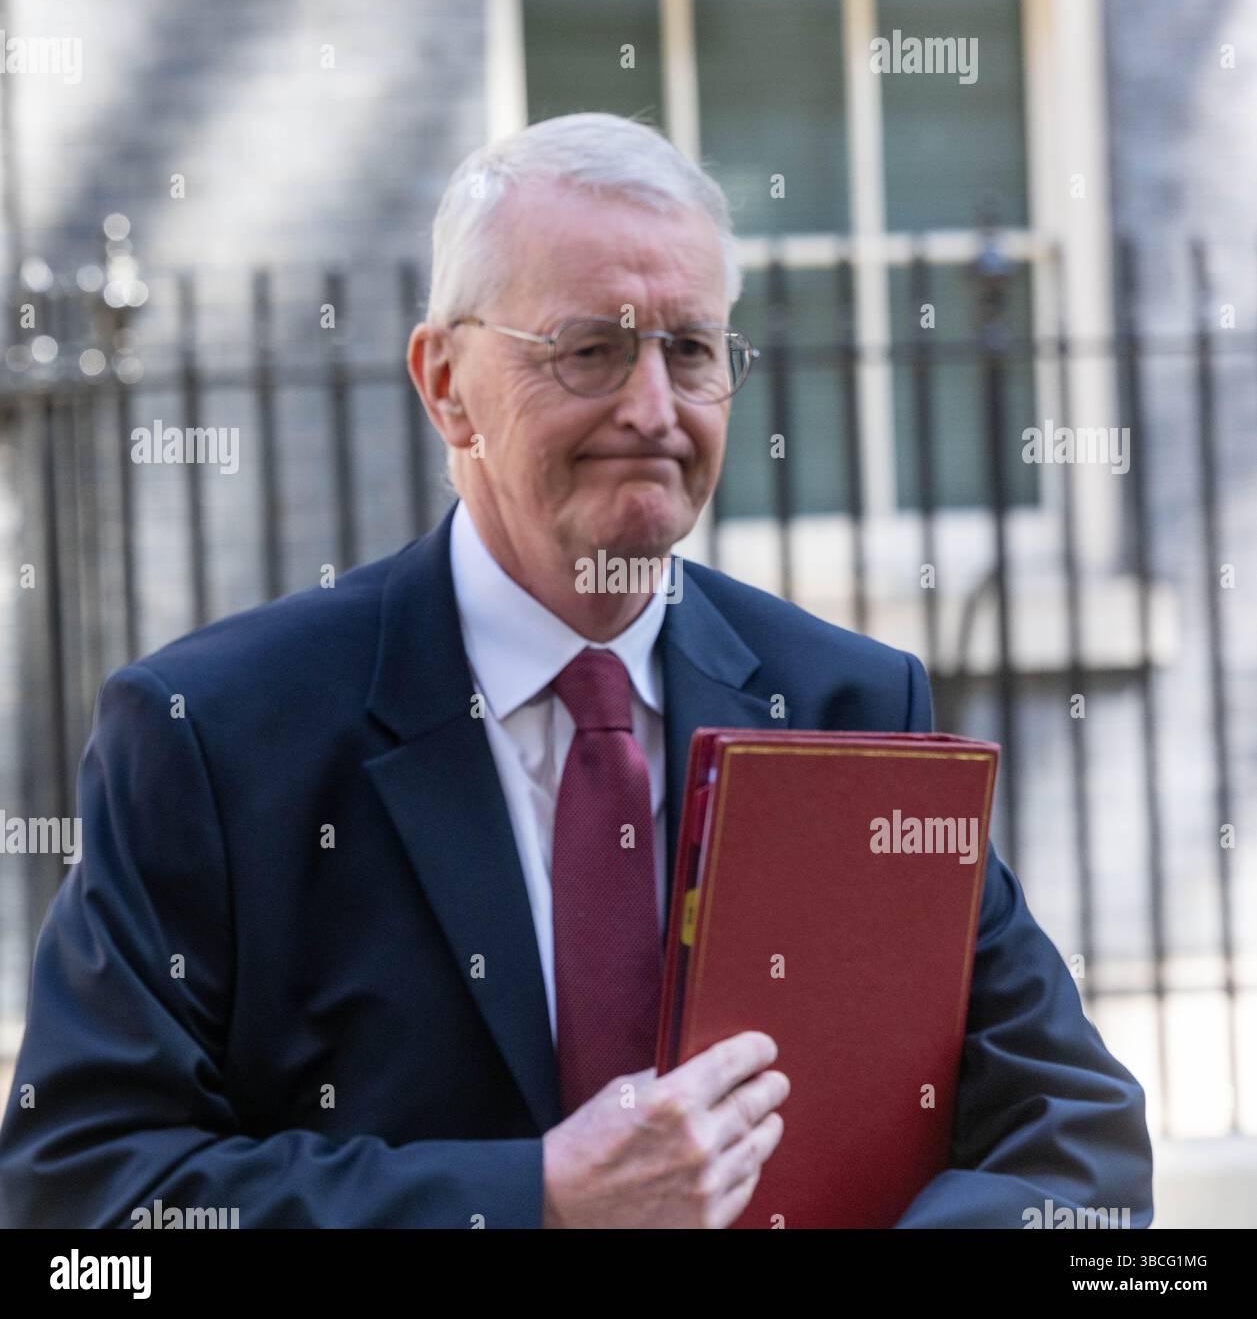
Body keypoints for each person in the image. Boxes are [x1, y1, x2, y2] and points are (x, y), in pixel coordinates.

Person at [0, 113, 1153, 1228]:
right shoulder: (218, 735)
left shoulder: (856, 708)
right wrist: (532, 1203)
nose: (652, 408)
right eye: (590, 349)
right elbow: (85, 1197)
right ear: (446, 384)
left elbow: (1079, 1140)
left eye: (690, 349)